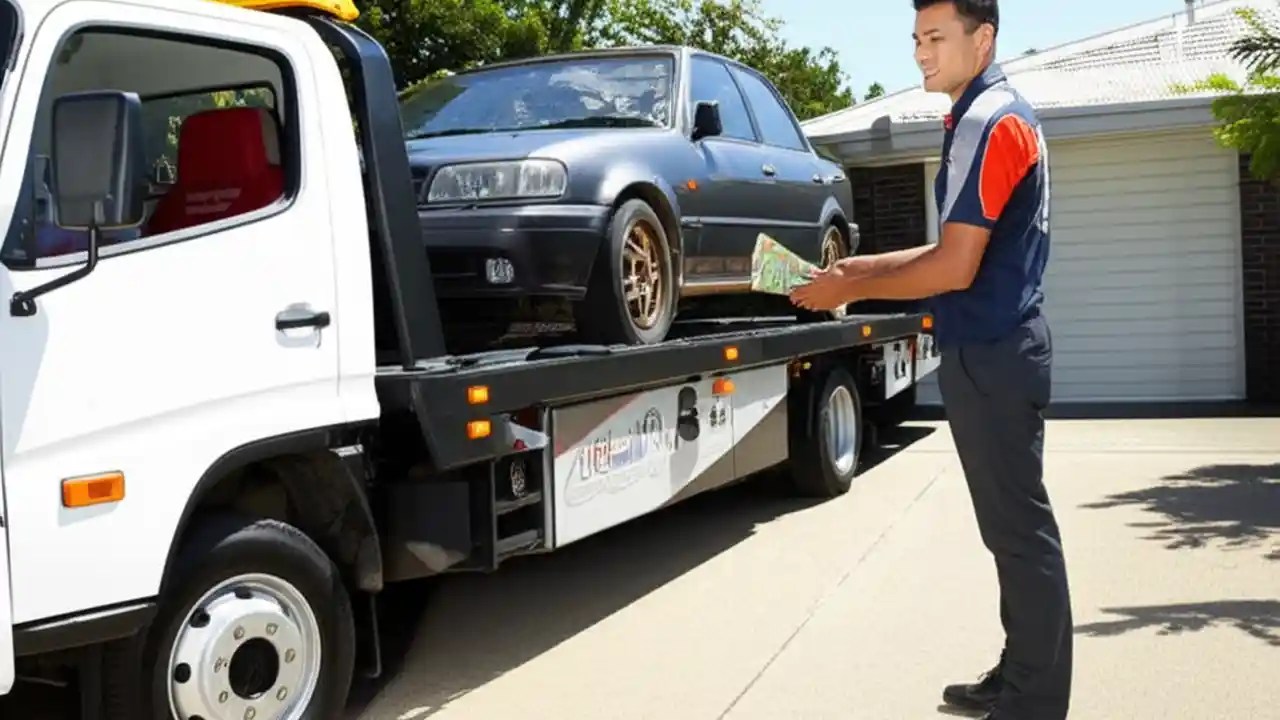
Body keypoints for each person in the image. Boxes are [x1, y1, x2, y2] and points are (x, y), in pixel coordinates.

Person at [790, 1, 1072, 718]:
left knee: (1018, 529)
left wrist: (852, 288)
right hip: (997, 348)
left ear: (983, 39)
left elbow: (954, 266)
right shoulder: (993, 113)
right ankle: (1020, 674)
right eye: (916, 39)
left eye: (936, 38)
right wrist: (852, 274)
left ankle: (1034, 700)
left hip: (993, 351)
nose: (920, 53)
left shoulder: (988, 121)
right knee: (1010, 529)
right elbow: (950, 250)